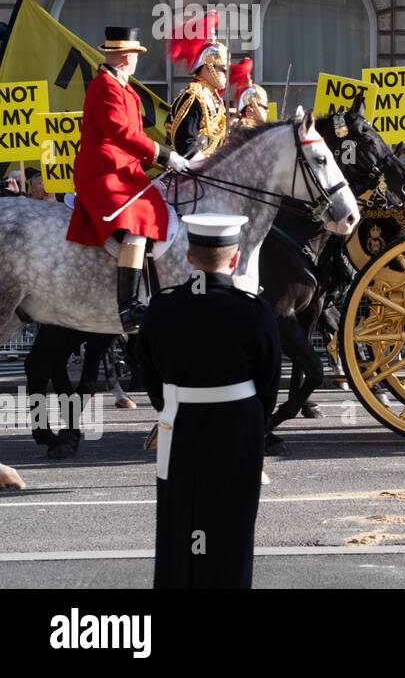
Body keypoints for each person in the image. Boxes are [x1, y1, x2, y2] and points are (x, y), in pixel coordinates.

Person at [140, 214, 281, 589]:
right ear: (235, 260)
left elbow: (148, 370)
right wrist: (255, 419)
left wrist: (168, 401)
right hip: (237, 424)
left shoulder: (163, 307)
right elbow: (269, 381)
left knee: (180, 517)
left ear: (189, 257)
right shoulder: (253, 310)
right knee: (232, 520)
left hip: (180, 420)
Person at [67, 27, 190, 332]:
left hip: (124, 168)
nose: (136, 60)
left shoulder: (122, 86)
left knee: (159, 204)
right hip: (103, 171)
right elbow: (121, 134)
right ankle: (127, 306)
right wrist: (166, 156)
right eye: (134, 54)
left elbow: (132, 139)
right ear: (126, 57)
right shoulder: (105, 86)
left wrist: (154, 167)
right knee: (139, 221)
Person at [167, 41, 229, 162]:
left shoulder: (213, 98)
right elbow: (186, 146)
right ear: (208, 67)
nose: (227, 75)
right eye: (223, 69)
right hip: (193, 170)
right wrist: (211, 164)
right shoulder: (194, 97)